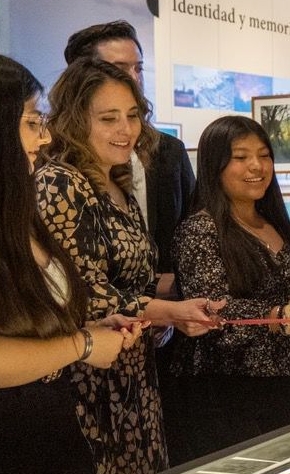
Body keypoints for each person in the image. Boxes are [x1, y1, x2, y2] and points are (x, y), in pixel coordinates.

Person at [0, 52, 138, 474]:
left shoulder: (12, 210)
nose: (45, 137)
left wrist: (95, 330)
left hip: (50, 431)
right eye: (32, 122)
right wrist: (81, 346)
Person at [37, 56, 217, 474]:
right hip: (88, 380)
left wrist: (172, 313)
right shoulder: (61, 182)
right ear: (75, 120)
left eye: (133, 115)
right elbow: (78, 293)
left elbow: (131, 282)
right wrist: (169, 312)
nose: (125, 130)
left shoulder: (116, 184)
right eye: (108, 118)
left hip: (134, 374)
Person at [167, 116, 290, 463]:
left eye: (264, 155)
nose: (257, 167)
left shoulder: (274, 223)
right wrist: (287, 317)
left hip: (279, 391)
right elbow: (211, 311)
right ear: (215, 164)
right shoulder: (200, 229)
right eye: (241, 157)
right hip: (222, 394)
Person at [64, 22, 195, 300]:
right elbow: (81, 290)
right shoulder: (57, 173)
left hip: (158, 330)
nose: (133, 79)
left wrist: (170, 304)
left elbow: (188, 232)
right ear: (81, 78)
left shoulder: (168, 151)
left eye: (139, 68)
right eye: (119, 69)